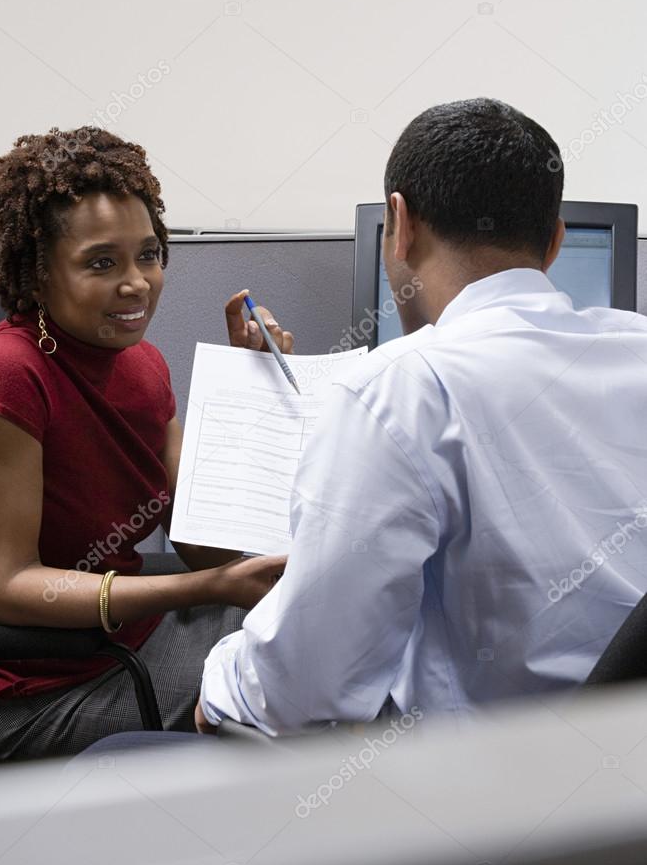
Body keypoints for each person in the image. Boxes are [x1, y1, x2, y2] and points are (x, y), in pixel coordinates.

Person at [196, 97, 647, 737]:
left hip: (470, 808)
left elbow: (300, 696)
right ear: (553, 243)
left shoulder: (403, 386)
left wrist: (216, 689)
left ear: (399, 224)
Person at [0, 126, 290, 758]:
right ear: (37, 274)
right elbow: (6, 586)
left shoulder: (141, 365)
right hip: (46, 686)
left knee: (324, 636)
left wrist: (251, 398)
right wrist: (203, 591)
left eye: (148, 254)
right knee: (304, 676)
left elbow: (199, 542)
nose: (138, 283)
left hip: (130, 641)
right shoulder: (5, 373)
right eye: (101, 263)